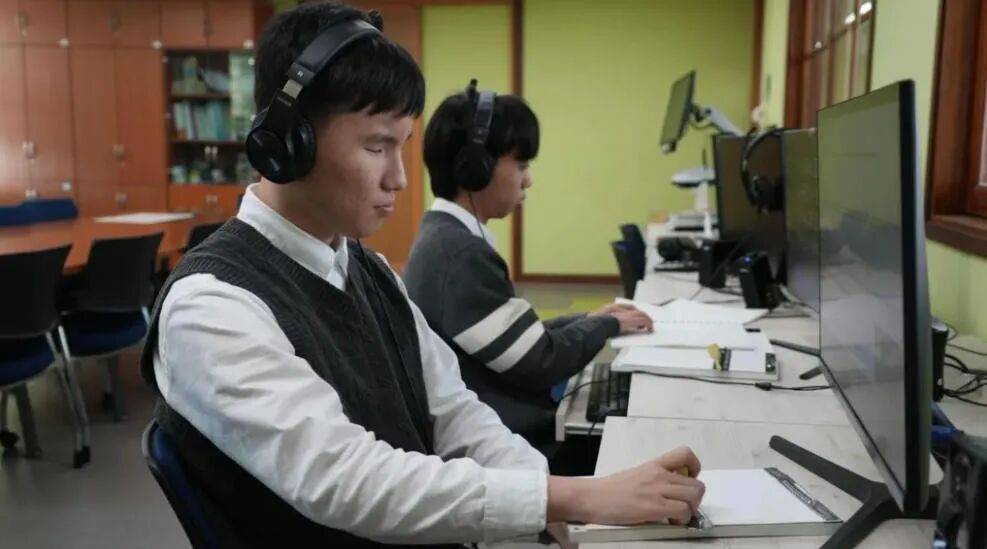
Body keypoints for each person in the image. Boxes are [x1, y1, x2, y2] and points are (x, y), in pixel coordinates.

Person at [141, 3, 703, 547]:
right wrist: (571, 498)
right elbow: (348, 481)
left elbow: (454, 411)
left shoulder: (367, 269)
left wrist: (552, 503)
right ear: (288, 143)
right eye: (377, 146)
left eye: (402, 147)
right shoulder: (211, 307)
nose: (399, 179)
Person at [403, 83, 653, 466]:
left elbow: (521, 340)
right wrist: (607, 327)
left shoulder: (445, 238)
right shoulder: (460, 254)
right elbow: (540, 362)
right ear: (475, 169)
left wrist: (590, 318)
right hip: (508, 446)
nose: (528, 180)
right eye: (521, 166)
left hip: (498, 424)